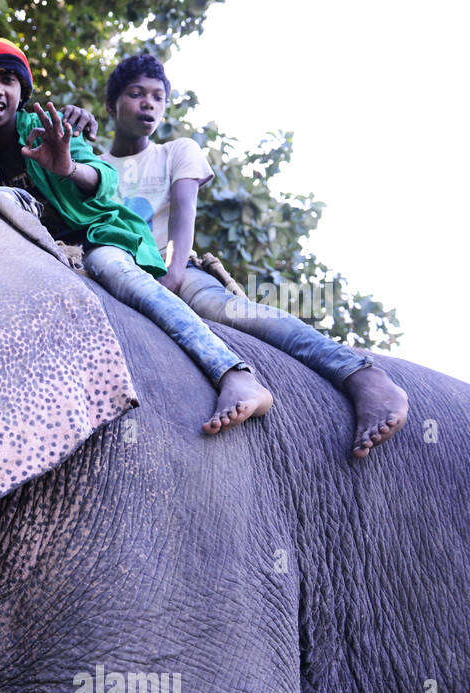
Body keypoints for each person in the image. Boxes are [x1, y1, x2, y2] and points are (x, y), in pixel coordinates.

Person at [0, 38, 273, 436]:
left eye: (7, 79)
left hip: (91, 239)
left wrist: (68, 165)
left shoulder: (43, 127)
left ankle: (233, 372)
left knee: (120, 275)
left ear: (22, 90)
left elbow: (104, 179)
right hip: (33, 253)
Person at [99, 53, 408, 457]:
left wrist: (174, 271)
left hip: (174, 268)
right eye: (136, 94)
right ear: (111, 105)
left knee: (228, 310)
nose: (148, 104)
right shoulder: (96, 165)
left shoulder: (177, 151)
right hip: (121, 274)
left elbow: (182, 216)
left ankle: (361, 376)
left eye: (158, 97)